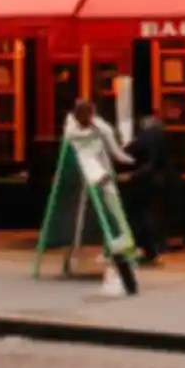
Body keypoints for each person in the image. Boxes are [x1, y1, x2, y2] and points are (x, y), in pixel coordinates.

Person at [63, 99, 136, 259]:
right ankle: (119, 240)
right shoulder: (73, 125)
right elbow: (71, 135)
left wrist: (131, 160)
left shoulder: (101, 127)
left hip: (100, 165)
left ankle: (123, 238)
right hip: (89, 166)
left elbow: (116, 152)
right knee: (108, 201)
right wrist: (91, 133)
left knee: (112, 202)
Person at [123, 114, 171, 265]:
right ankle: (151, 250)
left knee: (140, 216)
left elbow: (148, 162)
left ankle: (149, 249)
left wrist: (132, 175)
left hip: (144, 182)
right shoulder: (160, 137)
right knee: (148, 215)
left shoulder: (146, 138)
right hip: (157, 181)